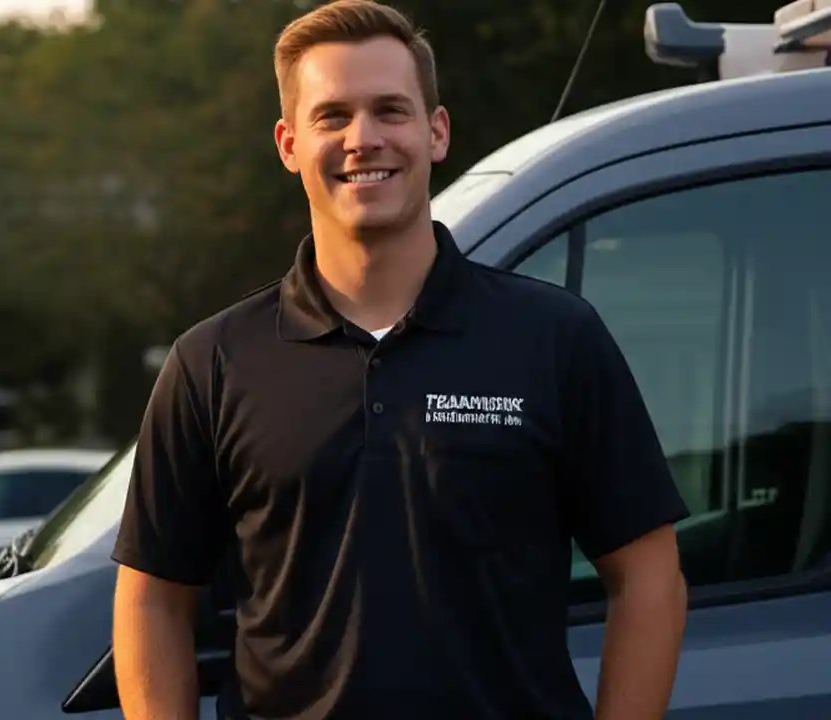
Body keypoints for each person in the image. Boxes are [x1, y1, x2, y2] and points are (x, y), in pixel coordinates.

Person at [111, 1, 689, 717]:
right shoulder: (213, 363)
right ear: (288, 143)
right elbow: (152, 601)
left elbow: (648, 575)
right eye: (332, 116)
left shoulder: (554, 338)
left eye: (391, 110)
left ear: (435, 132)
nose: (364, 139)